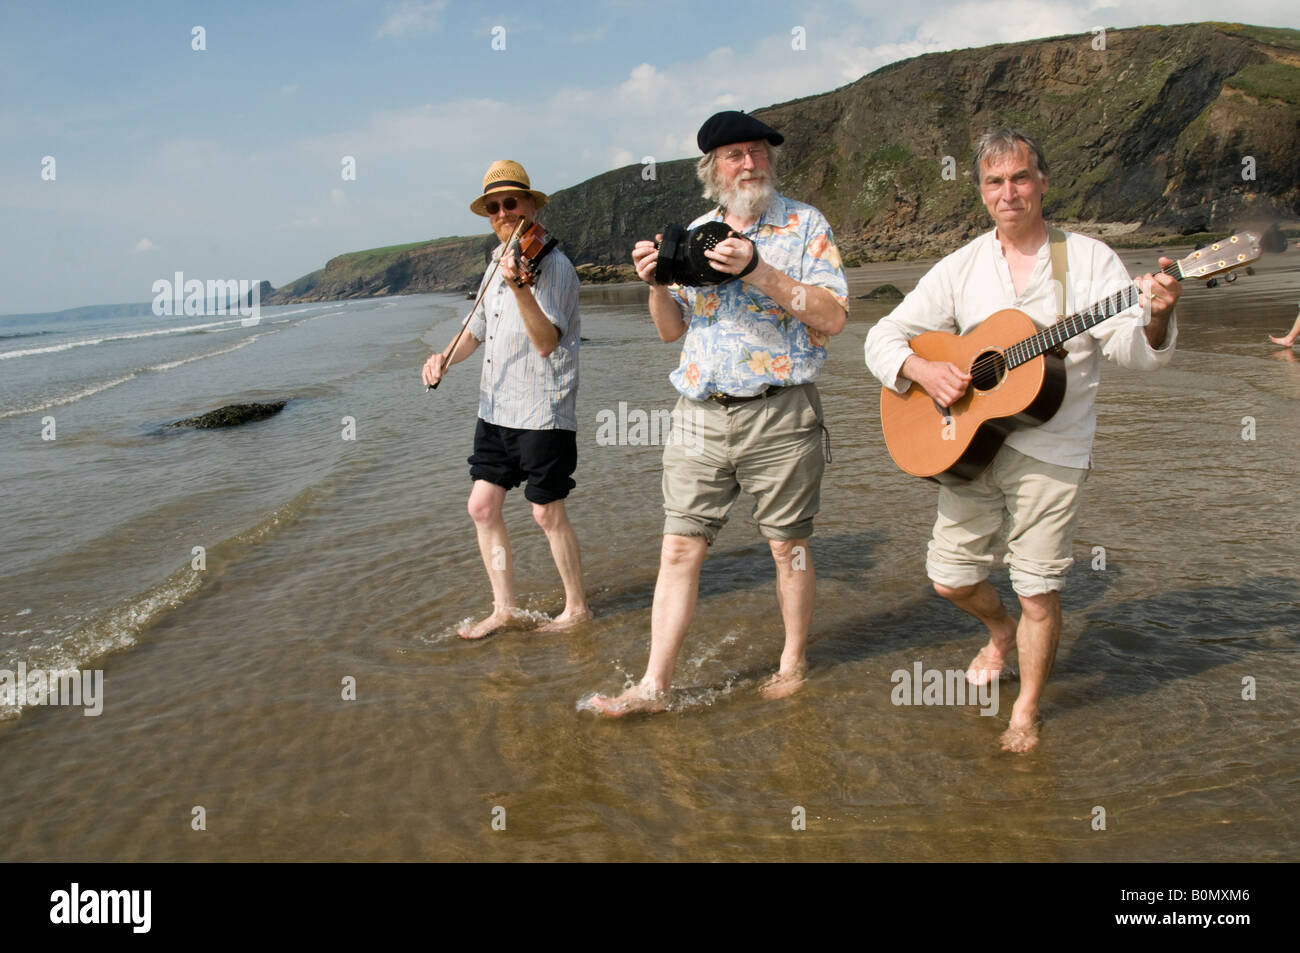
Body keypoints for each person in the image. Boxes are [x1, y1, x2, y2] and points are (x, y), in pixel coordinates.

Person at [863, 129, 1182, 753]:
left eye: (1020, 178)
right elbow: (885, 335)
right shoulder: (962, 265)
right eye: (994, 182)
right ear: (982, 193)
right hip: (969, 448)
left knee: (1037, 588)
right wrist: (924, 370)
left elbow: (1130, 354)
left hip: (1053, 452)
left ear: (1042, 182)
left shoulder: (1088, 261)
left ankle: (1027, 712)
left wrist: (1159, 314)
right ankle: (999, 633)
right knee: (950, 579)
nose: (1008, 192)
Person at [589, 111, 848, 715]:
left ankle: (793, 662)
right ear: (712, 169)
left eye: (757, 151)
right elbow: (668, 331)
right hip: (700, 414)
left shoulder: (804, 223)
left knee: (789, 547)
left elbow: (833, 317)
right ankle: (653, 686)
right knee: (678, 548)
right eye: (734, 155)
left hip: (780, 415)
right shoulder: (696, 231)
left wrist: (760, 271)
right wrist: (655, 283)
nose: (749, 163)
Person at [422, 160, 591, 639]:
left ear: (531, 205)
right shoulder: (495, 263)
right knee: (481, 506)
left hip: (543, 407)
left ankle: (576, 607)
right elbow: (475, 331)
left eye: (511, 202)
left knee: (546, 510)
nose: (503, 212)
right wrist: (443, 358)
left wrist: (520, 287)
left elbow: (545, 340)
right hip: (495, 408)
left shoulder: (553, 266)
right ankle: (504, 608)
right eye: (494, 207)